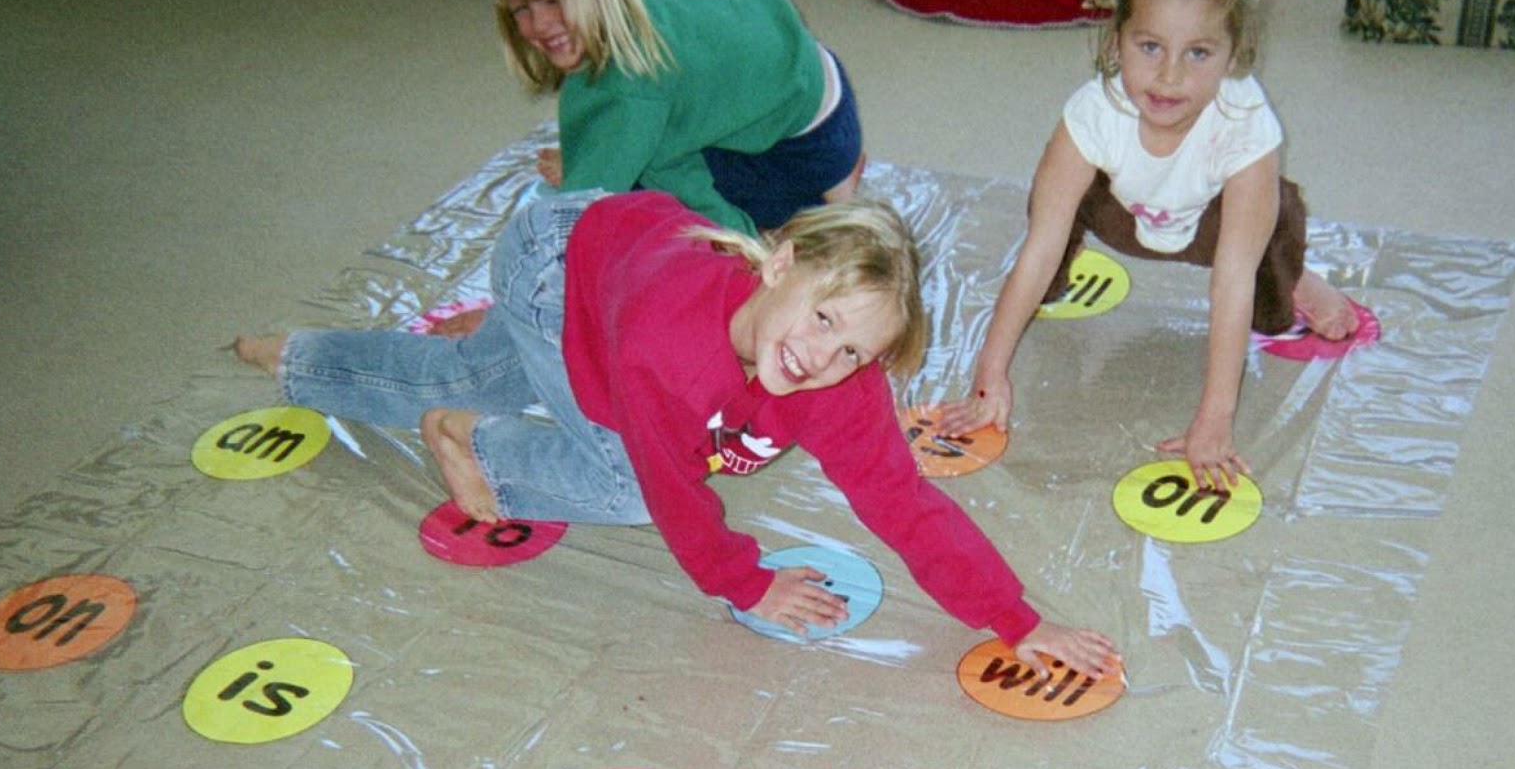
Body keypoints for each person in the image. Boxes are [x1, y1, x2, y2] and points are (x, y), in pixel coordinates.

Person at [235, 190, 1119, 678]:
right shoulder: (671, 351)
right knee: (621, 480)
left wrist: (1014, 618)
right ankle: (480, 447)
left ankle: (298, 362)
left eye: (853, 350)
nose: (821, 357)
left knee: (466, 372)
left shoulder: (840, 384)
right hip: (555, 267)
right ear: (775, 266)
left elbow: (905, 503)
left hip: (606, 261)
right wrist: (745, 582)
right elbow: (670, 488)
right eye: (820, 320)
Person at [938, 0, 1357, 490]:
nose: (1169, 77)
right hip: (1122, 216)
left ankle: (1296, 279)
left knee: (1273, 233)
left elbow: (1230, 278)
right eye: (1150, 47)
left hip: (1211, 232)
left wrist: (1215, 419)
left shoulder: (1247, 123)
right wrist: (991, 374)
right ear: (1117, 38)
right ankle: (1069, 267)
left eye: (1199, 53)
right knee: (1053, 207)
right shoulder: (1094, 112)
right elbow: (1037, 245)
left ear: (1235, 53)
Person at [486, 0, 866, 237]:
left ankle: (825, 193)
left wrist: (747, 245)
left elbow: (676, 187)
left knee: (641, 197)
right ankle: (833, 176)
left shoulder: (634, 87)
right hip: (816, 81)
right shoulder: (639, 10)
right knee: (643, 149)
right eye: (522, 8)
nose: (539, 24)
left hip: (809, 149)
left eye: (553, 0)